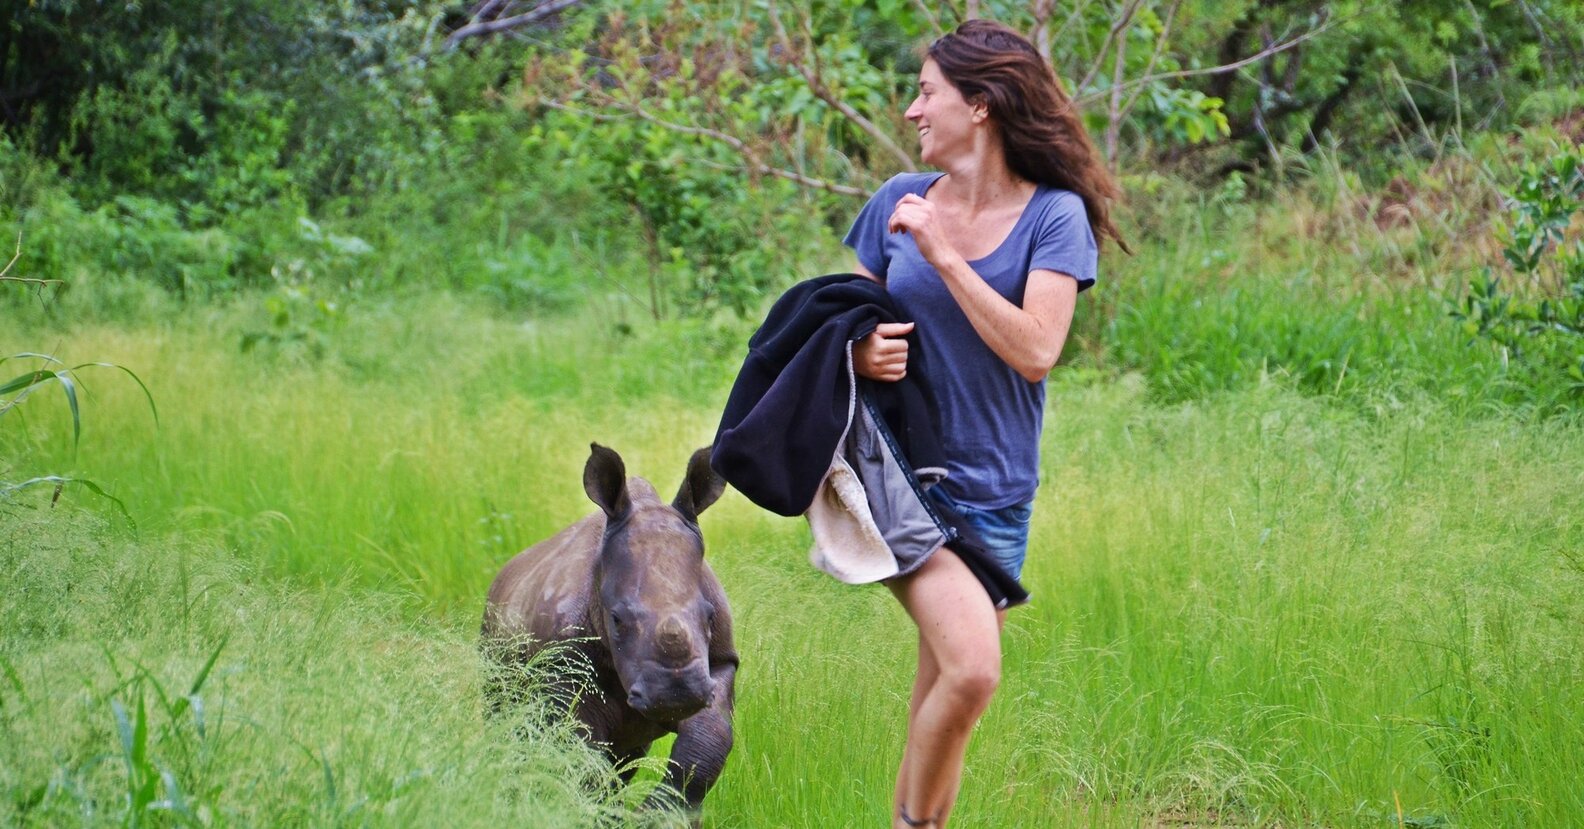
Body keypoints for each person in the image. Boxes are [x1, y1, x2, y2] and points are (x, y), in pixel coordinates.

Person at [841, 19, 1129, 828]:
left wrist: (944, 256)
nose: (911, 110)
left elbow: (1037, 349)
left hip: (999, 491)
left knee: (942, 692)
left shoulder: (1056, 217)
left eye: (927, 92)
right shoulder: (896, 204)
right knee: (972, 672)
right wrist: (860, 351)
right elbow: (841, 320)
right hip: (898, 478)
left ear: (983, 105)